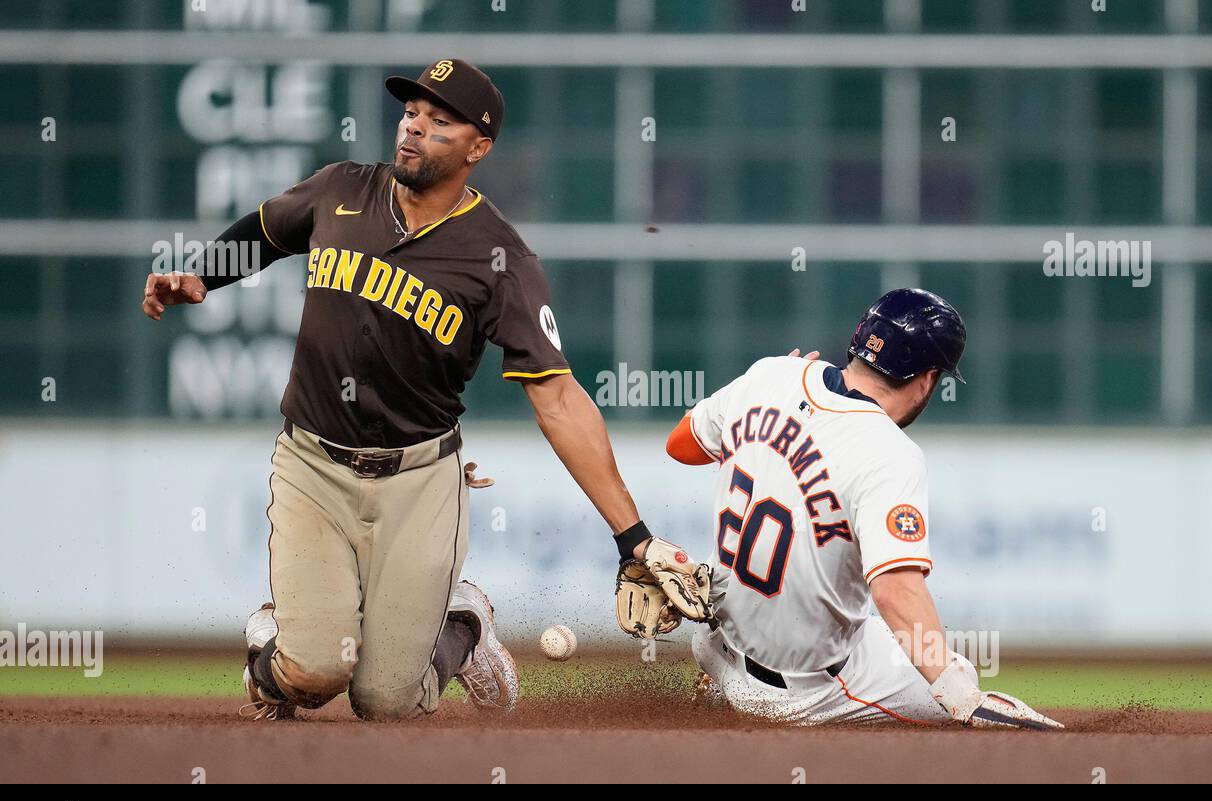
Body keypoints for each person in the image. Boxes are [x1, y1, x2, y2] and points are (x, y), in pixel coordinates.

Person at [141, 59, 699, 721]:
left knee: (387, 700)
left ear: (478, 147)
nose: (413, 129)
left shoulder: (500, 260)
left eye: (440, 122)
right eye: (411, 114)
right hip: (313, 466)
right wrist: (205, 275)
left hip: (419, 481)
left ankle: (463, 626)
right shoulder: (341, 190)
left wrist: (631, 535)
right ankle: (280, 648)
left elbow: (558, 397)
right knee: (315, 669)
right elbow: (267, 229)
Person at [663, 288, 1063, 729]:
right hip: (800, 691)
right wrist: (957, 691)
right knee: (955, 674)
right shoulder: (890, 453)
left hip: (714, 639)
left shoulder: (769, 376)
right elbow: (895, 591)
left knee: (868, 631)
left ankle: (718, 684)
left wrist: (761, 389)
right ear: (928, 379)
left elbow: (680, 445)